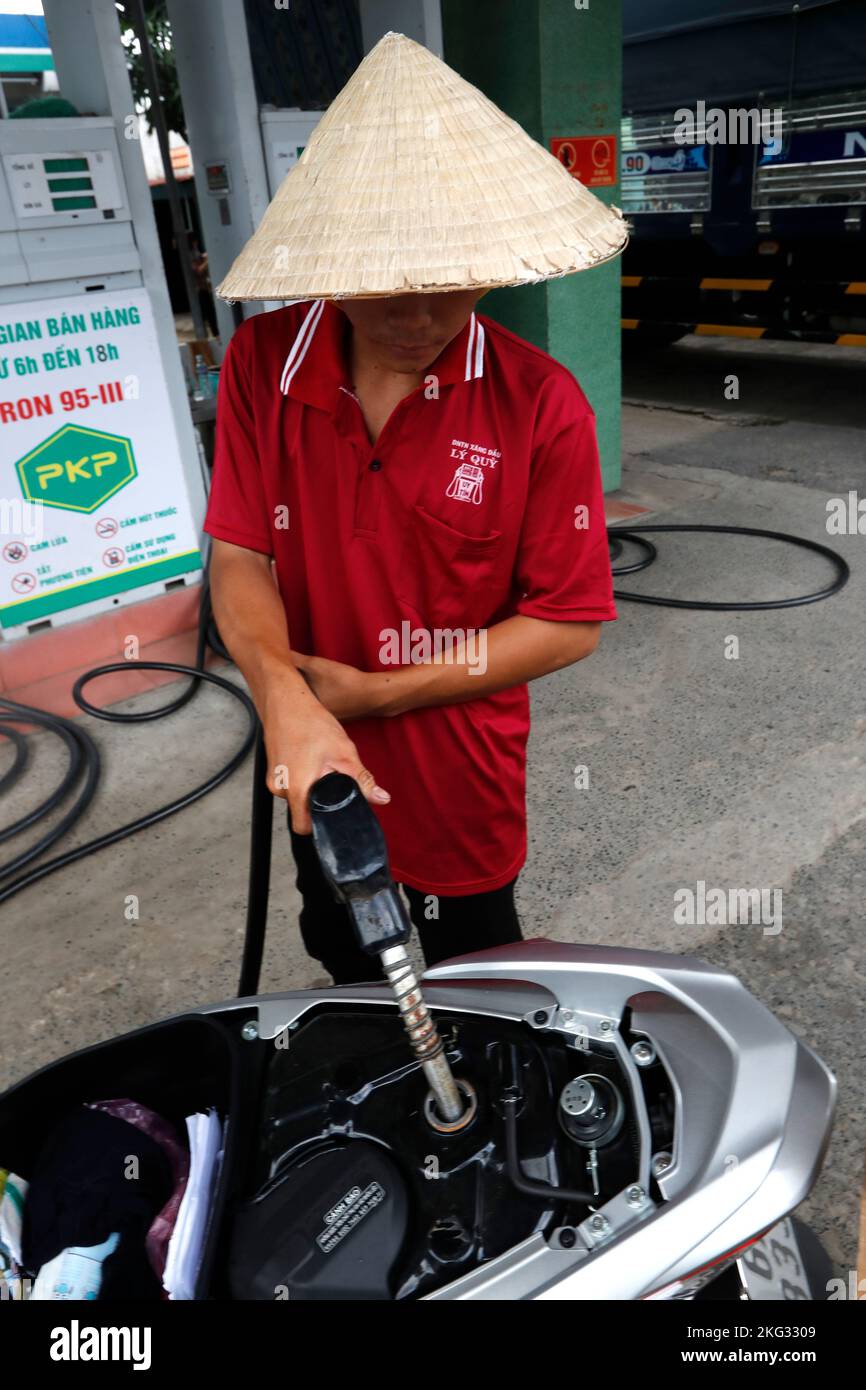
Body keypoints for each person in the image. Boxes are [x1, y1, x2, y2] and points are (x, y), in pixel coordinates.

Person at [204, 32, 627, 984]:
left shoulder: (541, 404)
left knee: (476, 989)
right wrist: (288, 701)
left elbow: (566, 625)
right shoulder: (262, 366)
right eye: (385, 285)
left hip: (462, 784)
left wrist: (380, 692)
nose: (419, 318)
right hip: (317, 764)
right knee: (350, 969)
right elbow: (239, 554)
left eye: (450, 281)